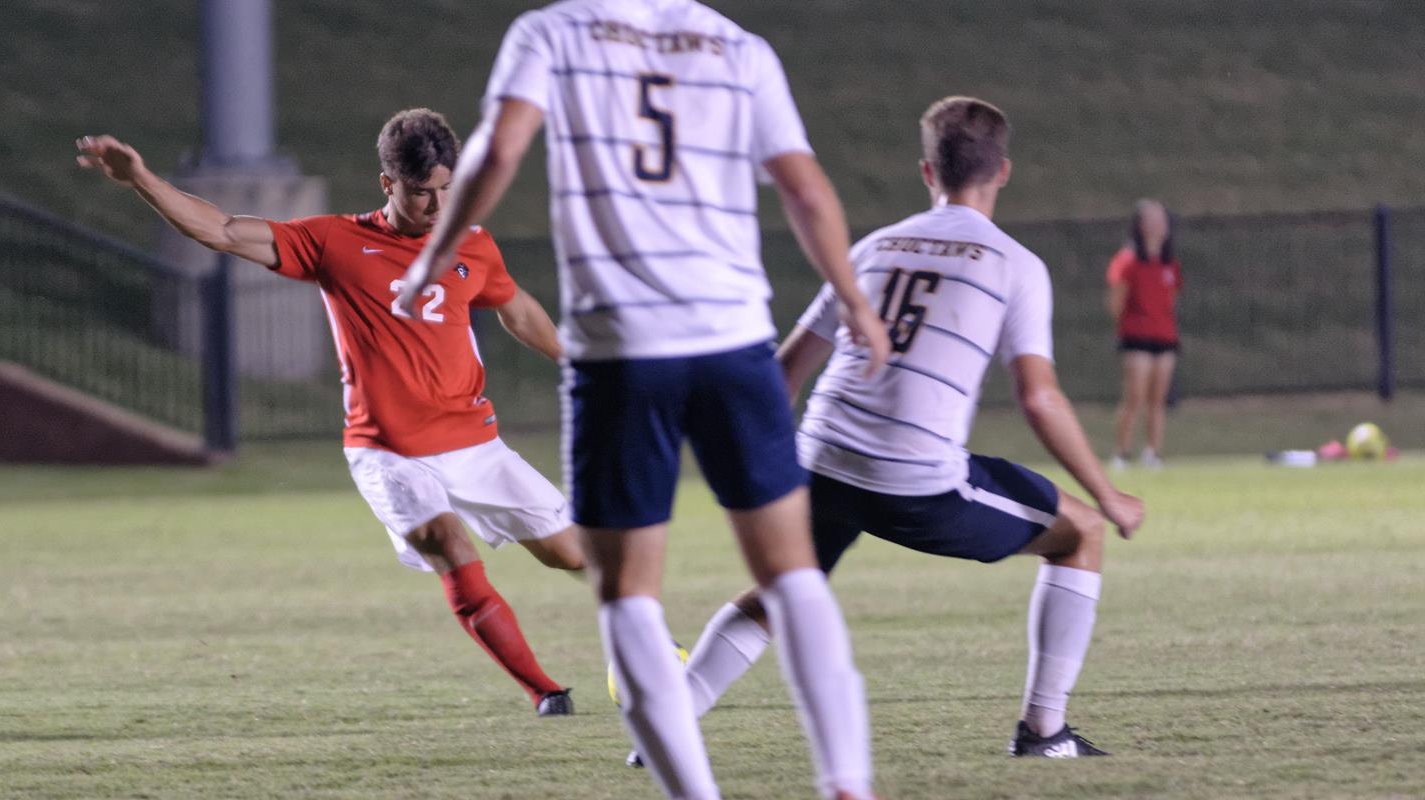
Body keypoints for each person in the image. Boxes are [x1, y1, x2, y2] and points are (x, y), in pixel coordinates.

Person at [395, 2, 892, 797]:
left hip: (621, 349)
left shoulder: (552, 32)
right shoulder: (739, 47)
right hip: (733, 341)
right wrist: (854, 300)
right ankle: (847, 783)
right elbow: (804, 188)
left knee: (627, 597)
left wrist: (430, 258)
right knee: (792, 576)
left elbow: (498, 150)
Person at [663, 97, 1147, 765]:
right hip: (915, 482)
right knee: (1082, 531)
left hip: (819, 461)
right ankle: (1043, 732)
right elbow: (1039, 398)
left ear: (927, 171)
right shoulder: (1014, 264)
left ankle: (667, 725)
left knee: (782, 590)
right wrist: (1109, 497)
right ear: (1003, 171)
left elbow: (783, 374)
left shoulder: (872, 248)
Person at [76, 108, 586, 716]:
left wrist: (576, 363)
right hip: (390, 453)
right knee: (449, 543)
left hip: (475, 443)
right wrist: (141, 178)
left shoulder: (472, 243)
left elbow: (516, 307)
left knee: (574, 555)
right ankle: (546, 691)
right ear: (387, 184)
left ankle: (653, 648)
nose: (436, 206)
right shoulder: (335, 242)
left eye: (447, 190)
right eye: (421, 193)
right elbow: (223, 230)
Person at [1108, 199, 1180, 469]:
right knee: (1134, 397)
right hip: (1137, 338)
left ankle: (1153, 452)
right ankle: (1122, 452)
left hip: (1164, 337)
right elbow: (1116, 302)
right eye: (1150, 220)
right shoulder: (1127, 261)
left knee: (1158, 399)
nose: (1157, 226)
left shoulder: (1169, 263)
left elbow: (1171, 300)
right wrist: (1132, 325)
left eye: (1160, 220)